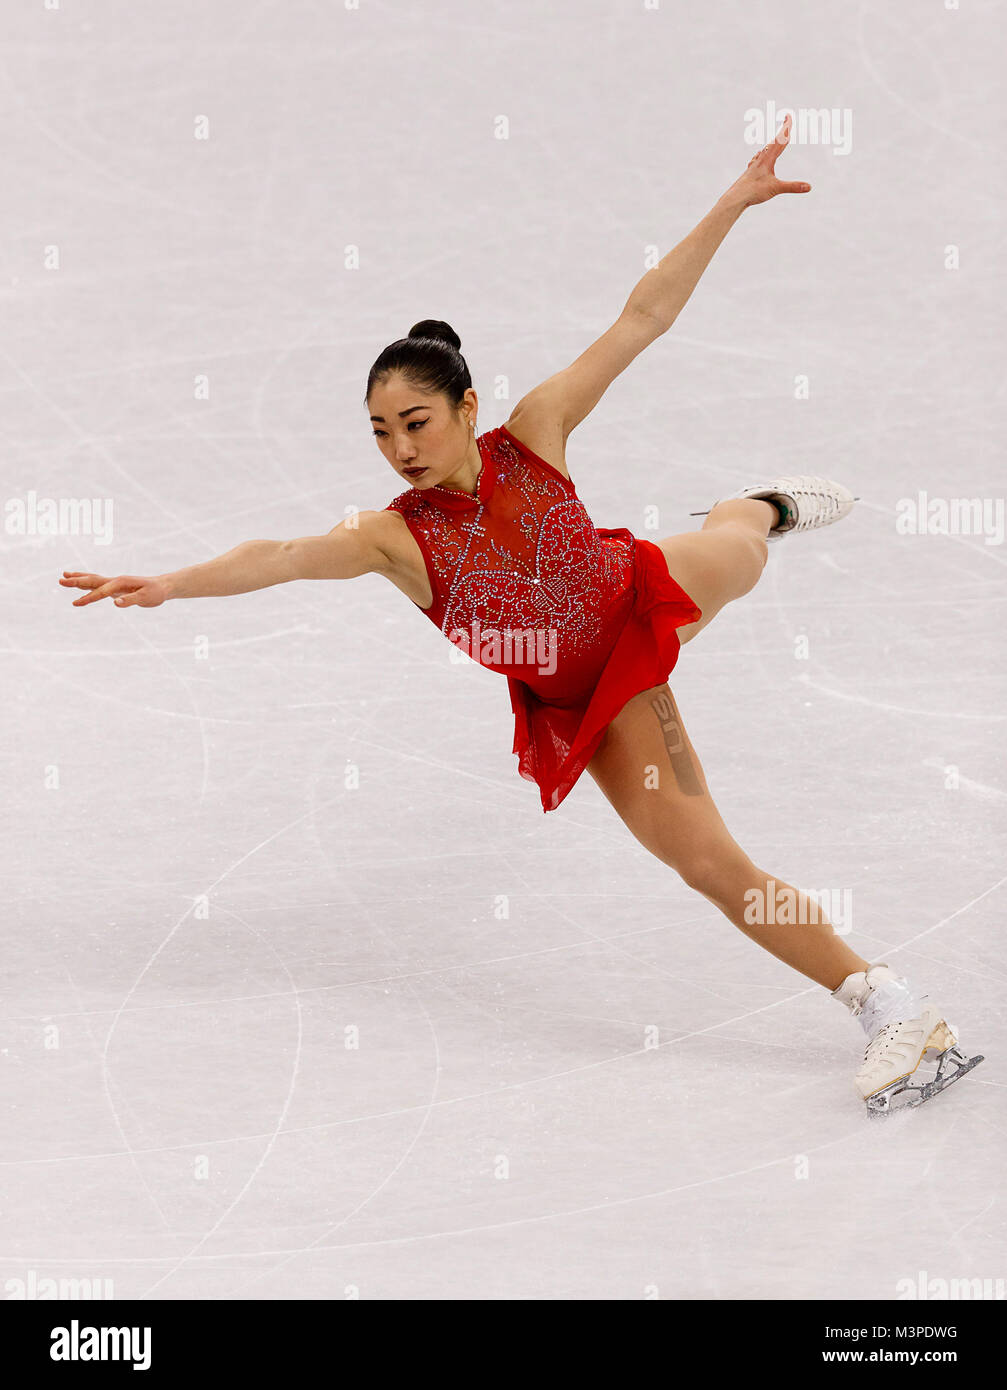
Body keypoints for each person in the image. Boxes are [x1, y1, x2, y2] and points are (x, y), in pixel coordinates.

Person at [59, 117, 981, 1113]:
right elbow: (277, 556)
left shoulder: (533, 433)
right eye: (379, 432)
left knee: (742, 554)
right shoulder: (391, 539)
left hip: (635, 589)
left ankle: (758, 506)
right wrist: (168, 581)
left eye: (414, 421)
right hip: (595, 692)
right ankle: (884, 1000)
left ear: (465, 407)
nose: (399, 447)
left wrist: (727, 204)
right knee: (709, 864)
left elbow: (641, 318)